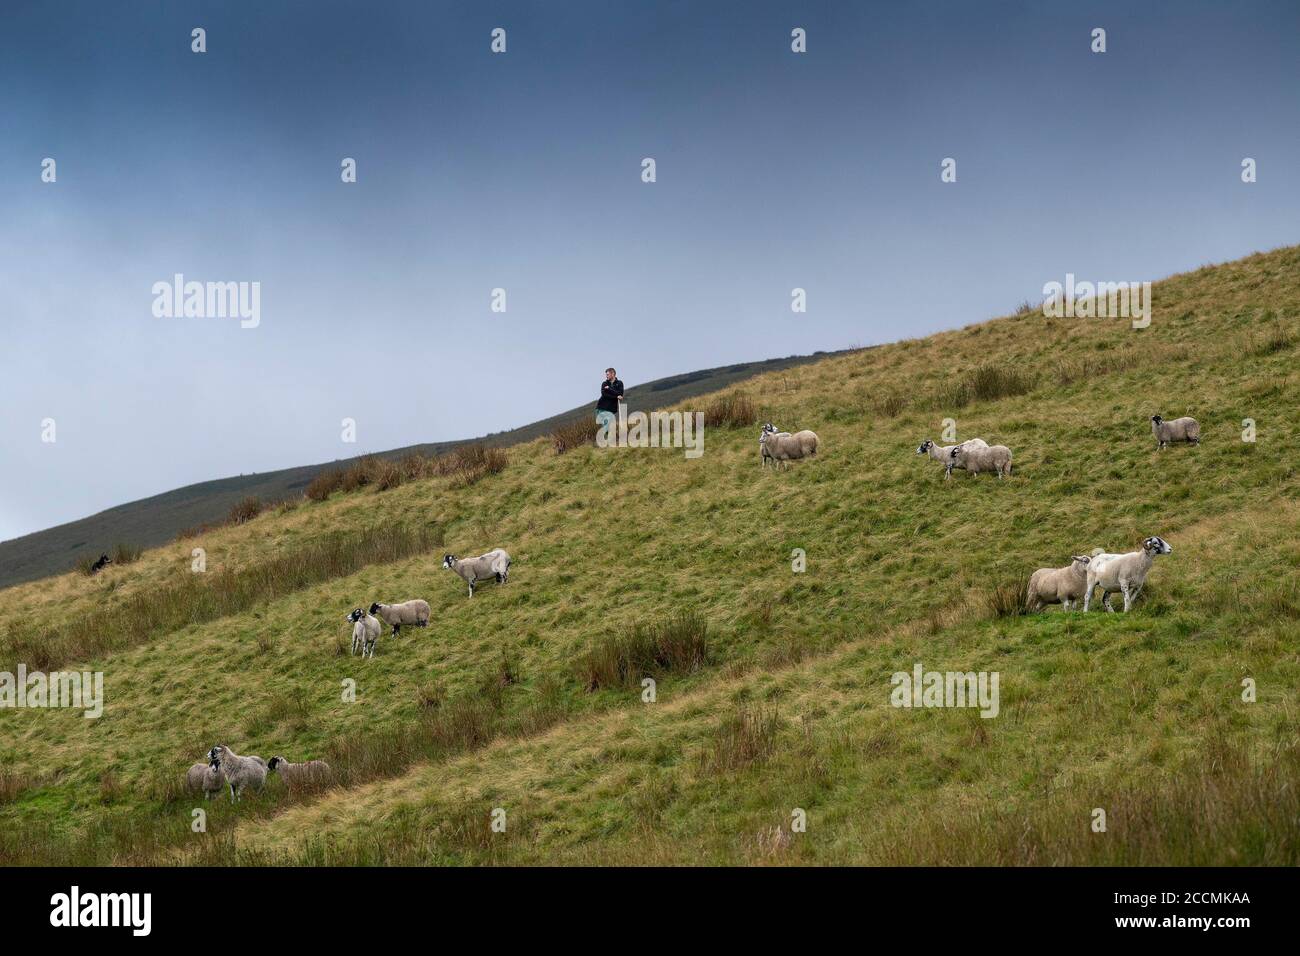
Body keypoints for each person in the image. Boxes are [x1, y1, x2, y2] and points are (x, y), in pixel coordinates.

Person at [595, 367, 623, 435]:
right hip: (601, 408)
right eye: (606, 374)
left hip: (611, 409)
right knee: (607, 425)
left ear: (613, 374)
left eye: (607, 374)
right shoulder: (604, 383)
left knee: (609, 427)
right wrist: (616, 396)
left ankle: (608, 441)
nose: (606, 376)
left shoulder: (619, 383)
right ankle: (607, 441)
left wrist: (609, 389)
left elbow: (620, 393)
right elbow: (604, 395)